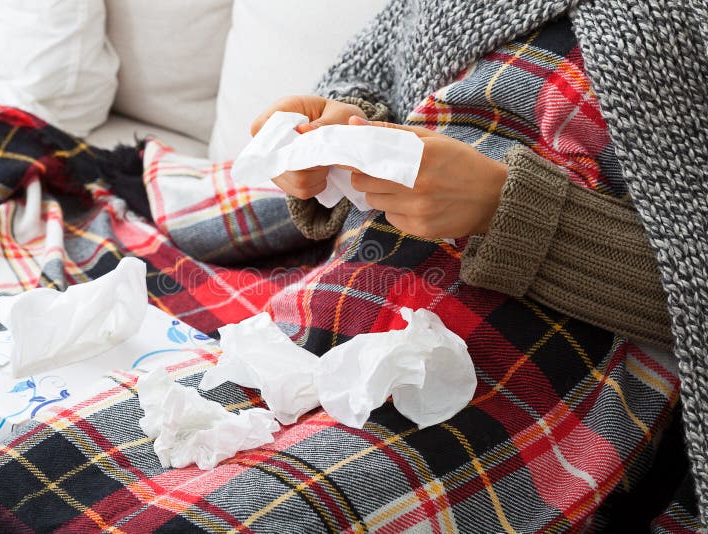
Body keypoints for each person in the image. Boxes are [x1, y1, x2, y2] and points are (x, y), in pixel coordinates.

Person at [250, 1, 707, 530]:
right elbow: (368, 78)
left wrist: (507, 210)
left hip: (552, 368)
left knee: (297, 509)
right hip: (356, 285)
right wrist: (337, 131)